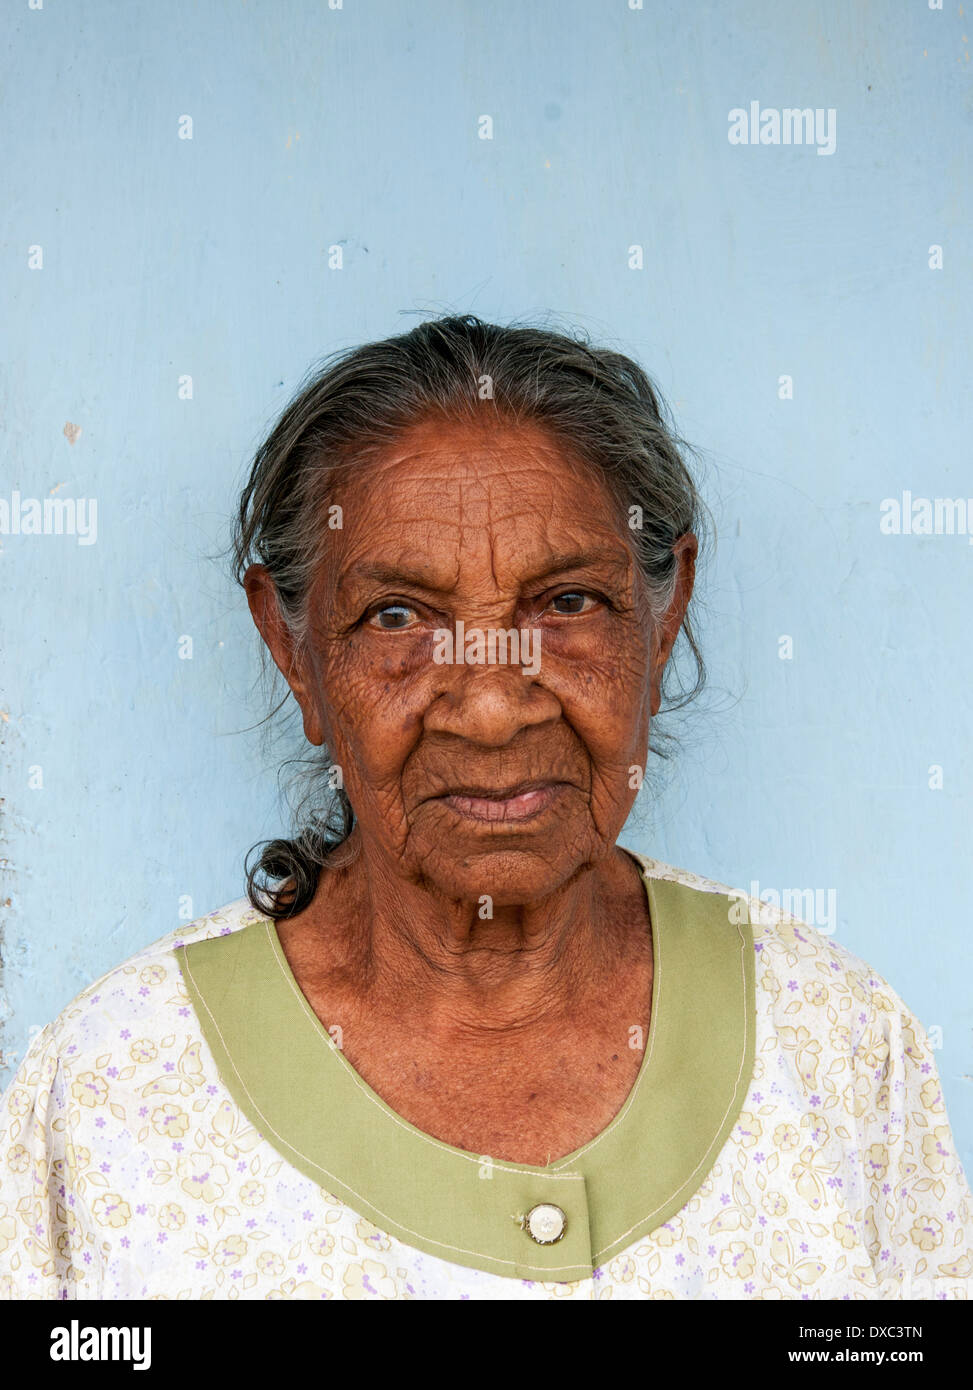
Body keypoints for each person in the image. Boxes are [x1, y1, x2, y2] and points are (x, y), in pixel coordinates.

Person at [1, 316, 969, 1300]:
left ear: (661, 621)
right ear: (294, 651)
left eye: (568, 603)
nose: (495, 705)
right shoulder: (116, 1087)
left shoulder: (833, 1041)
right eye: (397, 618)